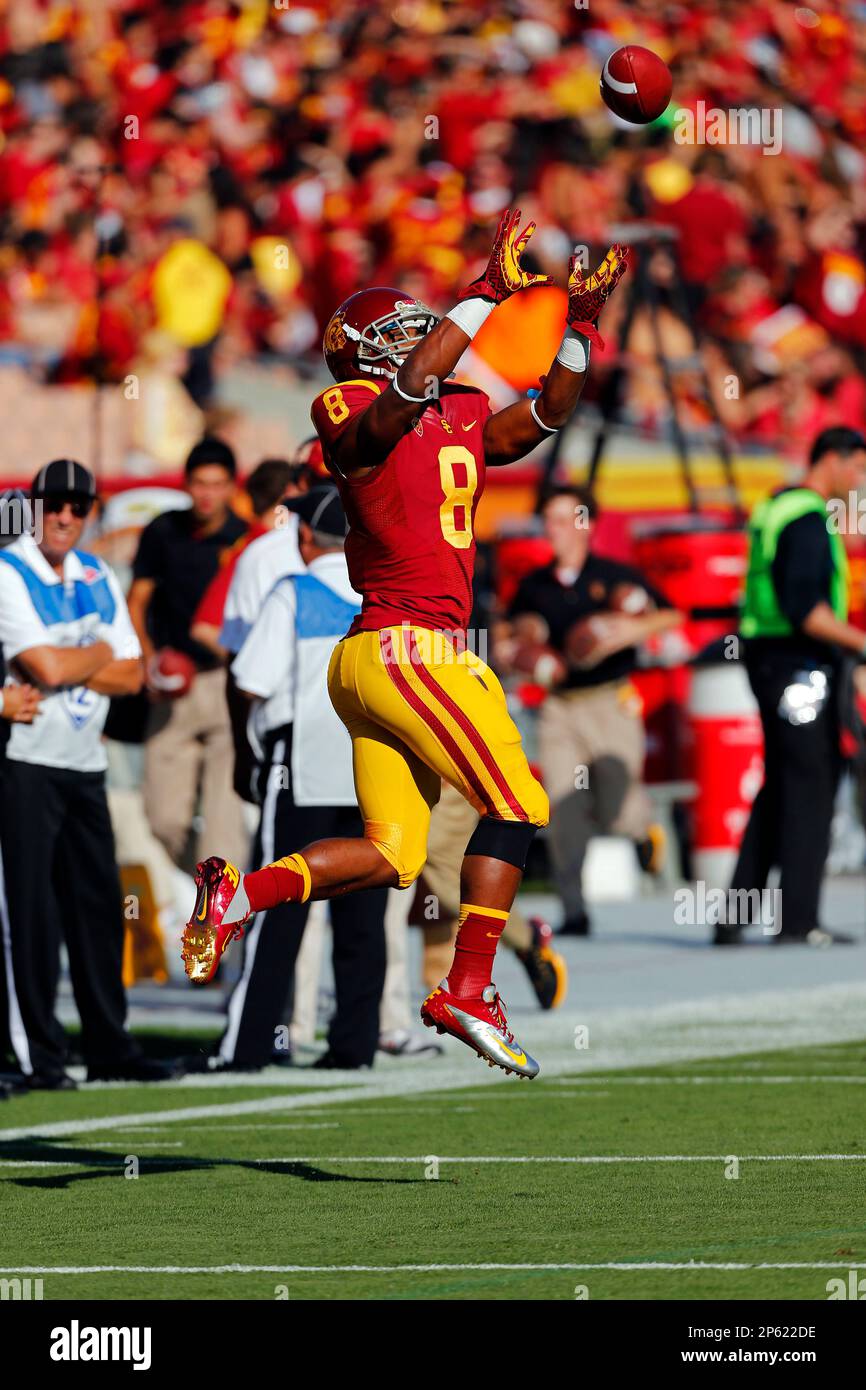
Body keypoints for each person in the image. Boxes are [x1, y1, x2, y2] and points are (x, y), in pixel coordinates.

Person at [181, 211, 628, 1079]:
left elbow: (544, 415)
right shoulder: (347, 408)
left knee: (396, 856)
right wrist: (480, 299)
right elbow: (403, 399)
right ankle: (468, 986)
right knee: (518, 800)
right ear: (357, 353)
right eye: (396, 333)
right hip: (407, 647)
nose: (416, 339)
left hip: (384, 657)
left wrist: (578, 329)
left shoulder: (458, 409)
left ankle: (239, 893)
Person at [0, 461, 175, 1088]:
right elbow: (46, 668)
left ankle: (109, 1044)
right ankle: (37, 1052)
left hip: (83, 762)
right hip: (24, 762)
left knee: (98, 907)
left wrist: (79, 660)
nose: (65, 517)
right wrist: (98, 651)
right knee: (31, 913)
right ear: (34, 508)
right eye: (54, 505)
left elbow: (132, 675)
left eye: (78, 506)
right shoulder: (10, 570)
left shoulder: (96, 573)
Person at [215, 485, 387, 1071]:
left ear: (305, 537)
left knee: (276, 905)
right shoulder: (383, 598)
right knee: (362, 914)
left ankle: (247, 1045)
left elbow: (249, 682)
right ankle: (354, 1045)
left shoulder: (293, 591)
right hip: (371, 764)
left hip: (300, 765)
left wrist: (246, 754)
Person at [498, 486, 681, 937]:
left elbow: (673, 614)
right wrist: (517, 650)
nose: (554, 530)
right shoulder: (534, 585)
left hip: (609, 700)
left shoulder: (614, 576)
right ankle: (574, 909)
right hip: (560, 707)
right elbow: (505, 633)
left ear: (586, 524)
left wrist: (628, 629)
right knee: (564, 808)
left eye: (563, 520)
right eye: (549, 520)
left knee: (617, 807)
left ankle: (642, 832)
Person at [721, 426, 866, 947]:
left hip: (773, 659)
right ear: (834, 460)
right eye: (858, 468)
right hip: (797, 664)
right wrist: (860, 643)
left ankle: (735, 916)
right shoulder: (806, 518)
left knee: (783, 782)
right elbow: (806, 610)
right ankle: (799, 921)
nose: (859, 481)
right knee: (811, 781)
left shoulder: (780, 505)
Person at [127, 436, 249, 871]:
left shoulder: (243, 539)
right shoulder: (163, 531)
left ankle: (220, 901)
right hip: (173, 683)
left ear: (231, 487)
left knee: (224, 828)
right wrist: (148, 658)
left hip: (225, 684)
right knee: (163, 819)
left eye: (217, 484)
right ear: (185, 484)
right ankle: (206, 879)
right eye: (199, 483)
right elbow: (136, 600)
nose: (207, 494)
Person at [190, 456, 297, 661]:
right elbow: (204, 628)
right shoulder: (256, 550)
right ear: (289, 494)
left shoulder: (273, 546)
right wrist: (256, 668)